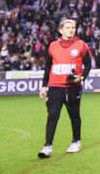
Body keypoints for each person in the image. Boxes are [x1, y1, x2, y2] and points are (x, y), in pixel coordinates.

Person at [37, 16, 92, 158]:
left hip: (72, 87)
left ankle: (76, 141)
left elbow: (89, 65)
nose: (71, 30)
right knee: (52, 116)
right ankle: (47, 146)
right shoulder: (52, 46)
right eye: (68, 28)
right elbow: (48, 66)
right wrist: (44, 86)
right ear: (61, 30)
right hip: (55, 87)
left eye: (73, 27)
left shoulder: (81, 45)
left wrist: (81, 77)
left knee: (74, 115)